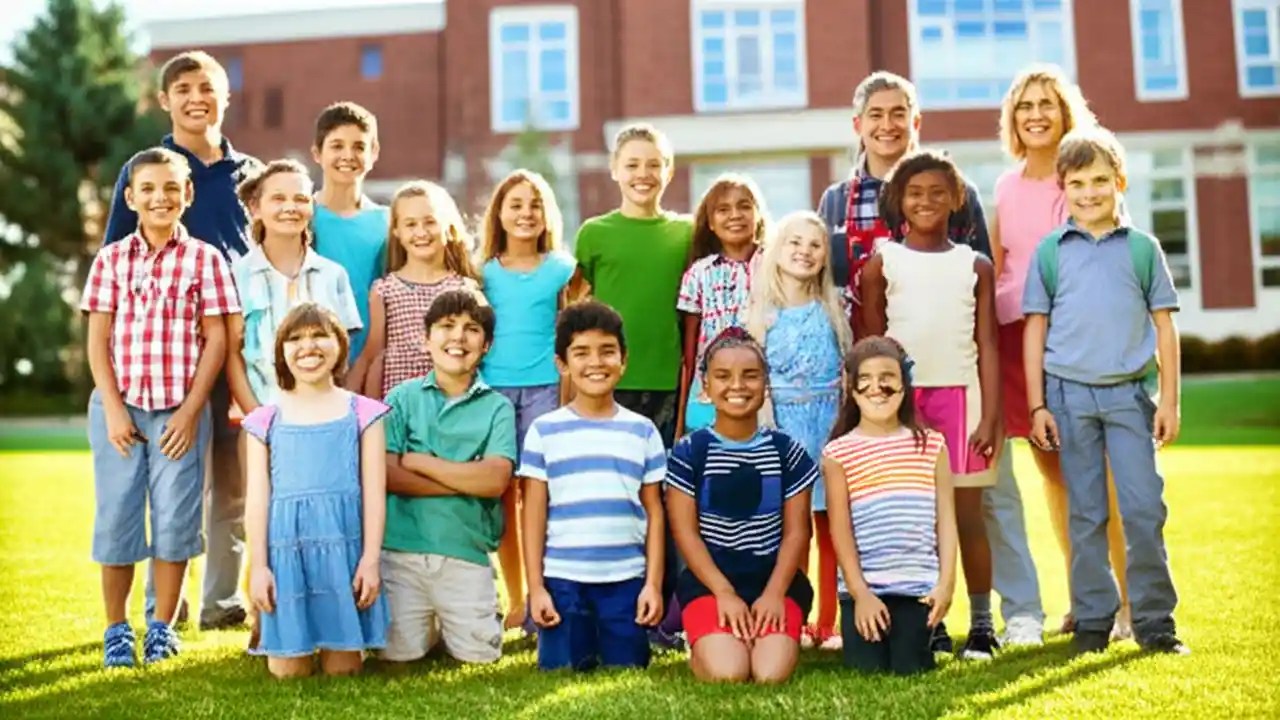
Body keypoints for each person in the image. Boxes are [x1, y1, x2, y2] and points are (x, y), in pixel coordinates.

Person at [102, 49, 261, 631]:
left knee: (234, 483)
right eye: (184, 88)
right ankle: (163, 607)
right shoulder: (144, 170)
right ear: (165, 100)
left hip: (239, 350)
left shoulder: (250, 174)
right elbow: (117, 266)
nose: (198, 97)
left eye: (208, 87)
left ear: (226, 97)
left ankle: (220, 603)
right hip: (167, 359)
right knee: (165, 481)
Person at [1023, 126, 1187, 656]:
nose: (1089, 193)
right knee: (1086, 512)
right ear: (1063, 189)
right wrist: (1037, 404)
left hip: (1130, 400)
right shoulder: (1051, 252)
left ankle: (1155, 623)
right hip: (1069, 399)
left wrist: (1170, 400)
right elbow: (1035, 330)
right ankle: (1093, 621)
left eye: (1100, 181)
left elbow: (1164, 326)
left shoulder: (1143, 249)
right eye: (1077, 183)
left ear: (1119, 182)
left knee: (1142, 509)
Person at [83, 147, 240, 666]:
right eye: (148, 189)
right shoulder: (110, 259)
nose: (160, 197)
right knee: (117, 520)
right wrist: (113, 409)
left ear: (188, 194)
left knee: (175, 521)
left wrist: (192, 410)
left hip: (180, 413)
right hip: (120, 413)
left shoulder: (205, 260)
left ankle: (161, 626)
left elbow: (217, 341)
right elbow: (97, 340)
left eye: (172, 188)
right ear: (130, 198)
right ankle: (116, 629)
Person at [990, 65, 1130, 643]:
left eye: (1047, 103)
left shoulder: (1085, 179)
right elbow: (997, 264)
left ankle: (1125, 604)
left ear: (1065, 111)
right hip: (1013, 337)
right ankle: (1085, 599)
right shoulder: (1004, 185)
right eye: (1025, 105)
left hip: (1072, 339)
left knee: (1097, 477)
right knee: (1053, 475)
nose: (1036, 114)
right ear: (1013, 118)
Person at [860, 149, 1001, 660]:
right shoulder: (882, 262)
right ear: (898, 200)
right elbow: (871, 346)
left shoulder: (975, 265)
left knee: (967, 516)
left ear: (956, 199)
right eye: (915, 193)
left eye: (938, 192)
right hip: (904, 406)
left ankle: (982, 625)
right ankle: (931, 622)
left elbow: (988, 344)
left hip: (963, 401)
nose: (926, 201)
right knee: (918, 519)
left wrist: (991, 415)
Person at [242, 304, 390, 678]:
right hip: (287, 551)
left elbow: (374, 494)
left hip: (343, 547)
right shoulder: (265, 419)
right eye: (295, 339)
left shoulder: (363, 413)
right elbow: (257, 501)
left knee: (344, 671)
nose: (308, 347)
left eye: (319, 335)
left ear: (340, 345)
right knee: (288, 671)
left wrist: (370, 560)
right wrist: (259, 568)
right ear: (281, 353)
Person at [521, 301, 667, 670]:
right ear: (562, 364)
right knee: (563, 667)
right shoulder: (544, 431)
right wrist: (537, 588)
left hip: (625, 581)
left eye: (607, 351)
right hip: (564, 582)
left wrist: (652, 584)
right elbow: (534, 514)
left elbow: (654, 512)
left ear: (624, 359)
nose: (596, 363)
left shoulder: (643, 430)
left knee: (628, 666)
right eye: (581, 353)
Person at [666, 328, 816, 684]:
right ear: (705, 386)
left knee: (769, 674)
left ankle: (763, 632)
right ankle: (704, 645)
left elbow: (798, 532)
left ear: (766, 385)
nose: (738, 386)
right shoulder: (689, 453)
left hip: (774, 582)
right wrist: (723, 593)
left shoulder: (786, 451)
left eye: (751, 376)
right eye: (723, 376)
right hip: (711, 583)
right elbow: (685, 533)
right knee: (729, 672)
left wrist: (775, 594)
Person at [380, 290, 517, 664]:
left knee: (478, 658)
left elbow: (494, 481)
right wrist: (464, 478)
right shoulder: (401, 398)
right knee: (399, 656)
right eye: (446, 326)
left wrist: (421, 461)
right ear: (426, 339)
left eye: (471, 329)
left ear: (486, 345)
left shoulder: (497, 407)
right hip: (401, 552)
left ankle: (465, 616)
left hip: (465, 553)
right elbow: (389, 475)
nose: (458, 337)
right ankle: (432, 625)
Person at [744, 210, 851, 651]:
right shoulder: (762, 314)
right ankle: (793, 615)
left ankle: (828, 621)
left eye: (815, 244)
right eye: (795, 243)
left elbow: (845, 374)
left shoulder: (833, 308)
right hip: (783, 431)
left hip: (826, 430)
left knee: (830, 527)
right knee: (789, 530)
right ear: (776, 251)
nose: (804, 252)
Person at [479, 169, 580, 632]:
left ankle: (546, 591)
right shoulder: (483, 272)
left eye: (535, 205)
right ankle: (516, 596)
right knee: (503, 494)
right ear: (499, 213)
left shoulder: (562, 268)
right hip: (494, 391)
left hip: (545, 389)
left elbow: (574, 323)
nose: (525, 213)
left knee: (539, 493)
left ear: (547, 215)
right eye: (516, 204)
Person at [816, 71, 990, 339]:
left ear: (916, 122)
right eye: (875, 115)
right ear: (857, 125)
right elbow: (820, 286)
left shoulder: (958, 193)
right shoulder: (835, 201)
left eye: (898, 113)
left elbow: (982, 290)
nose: (887, 125)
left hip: (942, 350)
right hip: (857, 358)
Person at [823, 336, 958, 675]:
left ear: (904, 385)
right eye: (864, 381)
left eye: (887, 379)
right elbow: (840, 529)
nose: (876, 388)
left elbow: (946, 519)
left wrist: (945, 584)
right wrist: (860, 593)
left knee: (910, 666)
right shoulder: (838, 453)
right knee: (867, 669)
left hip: (916, 588)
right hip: (864, 590)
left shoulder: (932, 445)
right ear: (851, 389)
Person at [575, 123, 693, 448]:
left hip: (667, 382)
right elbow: (575, 309)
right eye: (632, 165)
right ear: (614, 170)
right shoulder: (593, 233)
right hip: (607, 377)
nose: (644, 174)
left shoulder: (686, 233)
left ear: (668, 172)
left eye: (654, 165)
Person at [226, 159, 363, 411]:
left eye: (300, 199)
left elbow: (345, 358)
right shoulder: (235, 277)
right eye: (278, 199)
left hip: (324, 417)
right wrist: (257, 419)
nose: (290, 207)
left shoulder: (334, 276)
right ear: (255, 207)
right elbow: (232, 356)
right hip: (261, 417)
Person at [348, 181, 482, 400]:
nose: (421, 232)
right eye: (410, 224)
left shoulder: (465, 289)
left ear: (447, 226)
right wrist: (375, 414)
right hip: (399, 406)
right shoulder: (385, 290)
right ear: (397, 231)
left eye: (430, 222)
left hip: (449, 404)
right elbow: (375, 354)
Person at [677, 173, 767, 435]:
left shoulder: (775, 264)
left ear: (758, 215)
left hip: (764, 386)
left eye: (744, 206)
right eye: (723, 209)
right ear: (711, 223)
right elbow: (690, 355)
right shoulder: (699, 273)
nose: (735, 215)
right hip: (711, 388)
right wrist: (681, 420)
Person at [310, 101, 390, 368]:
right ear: (317, 153)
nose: (348, 155)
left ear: (374, 152)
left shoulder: (386, 222)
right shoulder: (302, 217)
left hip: (370, 359)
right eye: (336, 146)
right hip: (312, 355)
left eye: (359, 147)